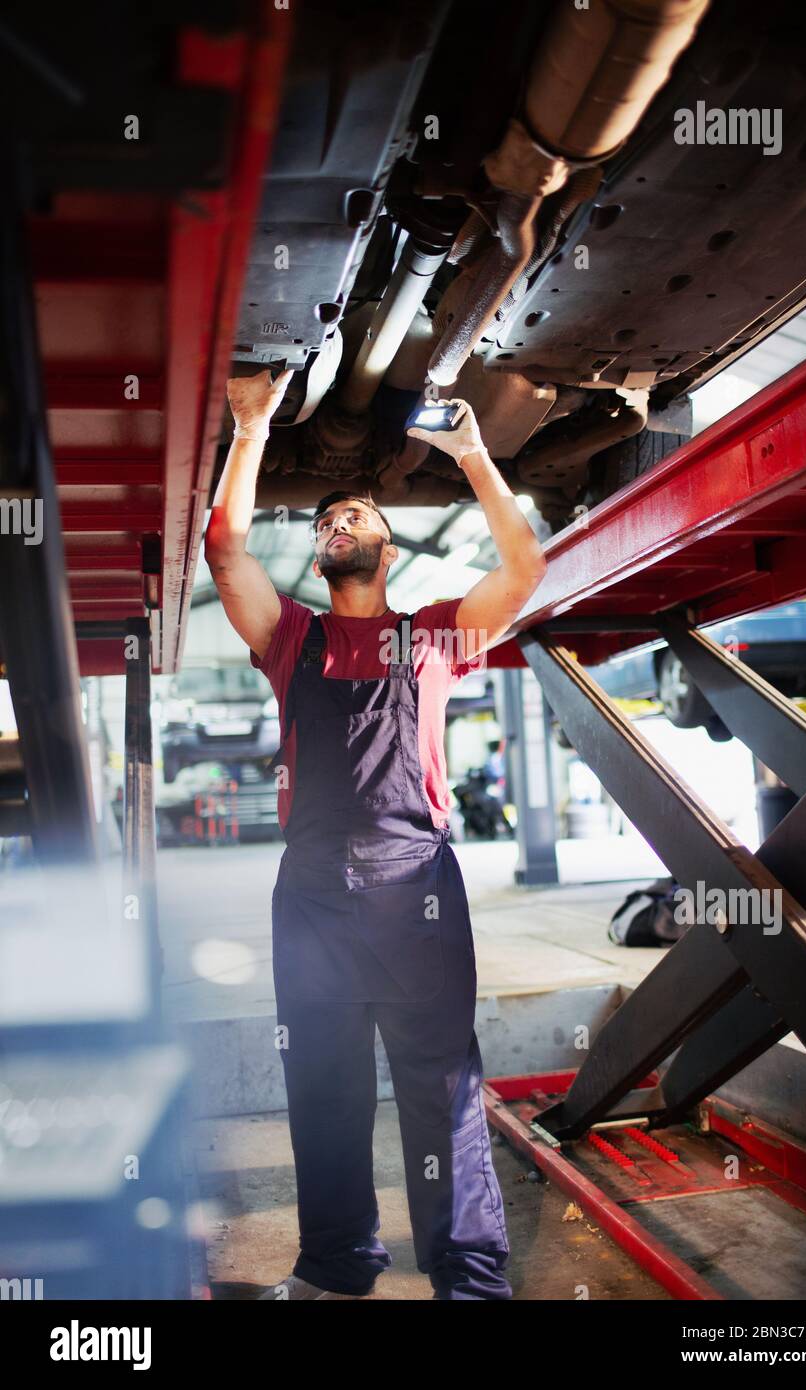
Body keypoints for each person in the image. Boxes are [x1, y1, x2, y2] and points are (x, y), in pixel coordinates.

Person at [204, 370, 547, 1300]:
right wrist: (251, 428)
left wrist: (473, 453)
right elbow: (226, 549)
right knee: (322, 1087)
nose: (339, 523)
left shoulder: (433, 636)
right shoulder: (291, 640)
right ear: (318, 560)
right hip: (310, 892)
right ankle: (335, 1264)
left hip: (416, 891)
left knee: (440, 1088)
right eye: (326, 523)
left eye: (357, 514)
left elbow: (523, 570)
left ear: (388, 549)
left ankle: (469, 1281)